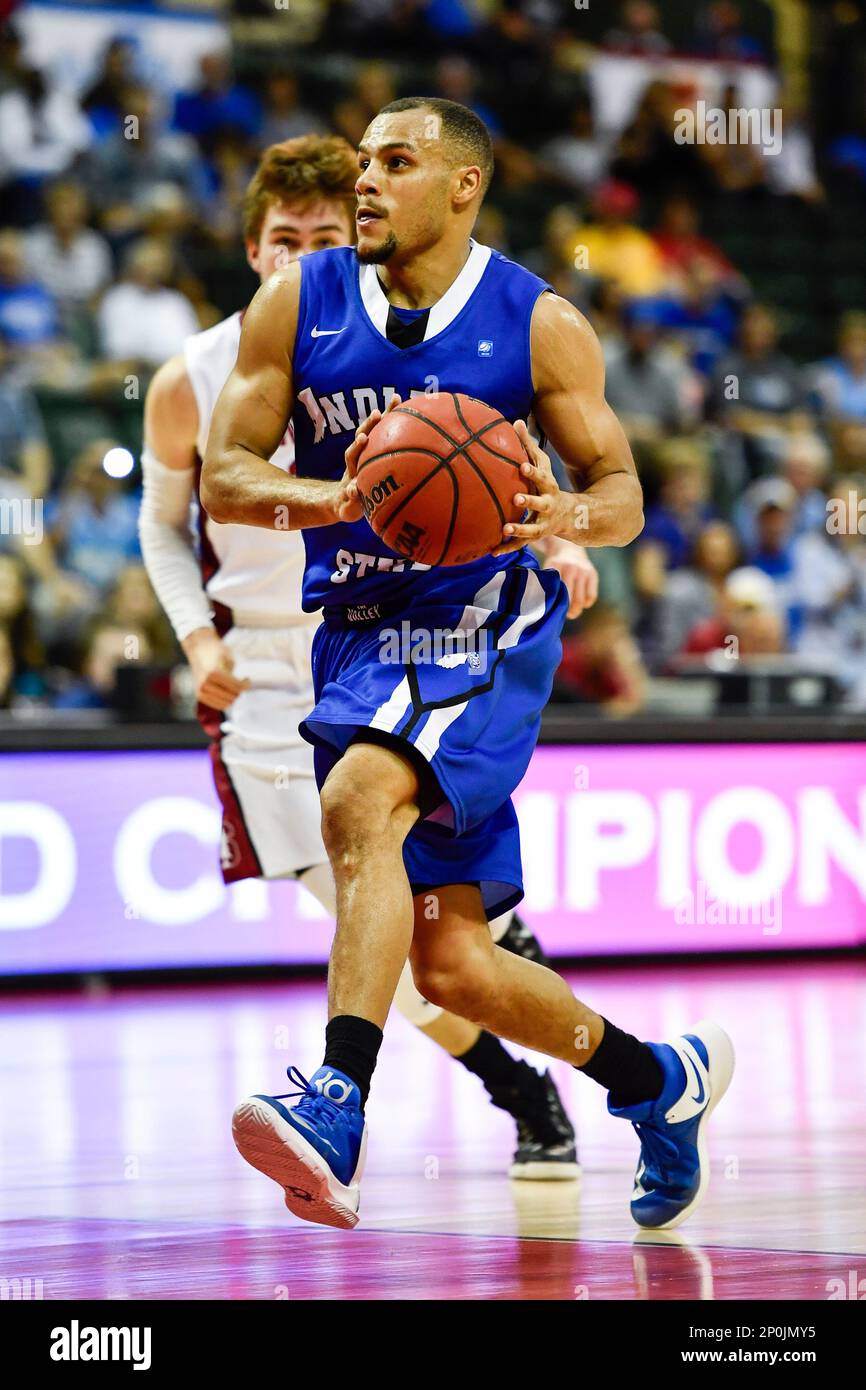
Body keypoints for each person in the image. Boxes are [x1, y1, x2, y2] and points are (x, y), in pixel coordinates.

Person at [203, 99, 734, 1231]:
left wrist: (567, 512)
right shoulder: (293, 301)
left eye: (394, 164)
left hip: (482, 615)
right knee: (452, 968)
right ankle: (656, 1083)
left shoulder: (539, 322)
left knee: (357, 799)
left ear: (460, 187)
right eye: (360, 165)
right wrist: (334, 498)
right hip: (353, 620)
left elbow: (624, 496)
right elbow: (227, 475)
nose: (365, 184)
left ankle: (337, 1104)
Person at [141, 133, 598, 1179]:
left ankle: (443, 1069)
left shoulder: (389, 327)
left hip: (389, 627)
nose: (296, 253)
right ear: (250, 247)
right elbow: (162, 524)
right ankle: (516, 1073)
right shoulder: (196, 374)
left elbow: (480, 455)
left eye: (317, 233)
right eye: (278, 238)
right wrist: (192, 634)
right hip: (261, 663)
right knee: (370, 920)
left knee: (386, 910)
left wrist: (560, 532)